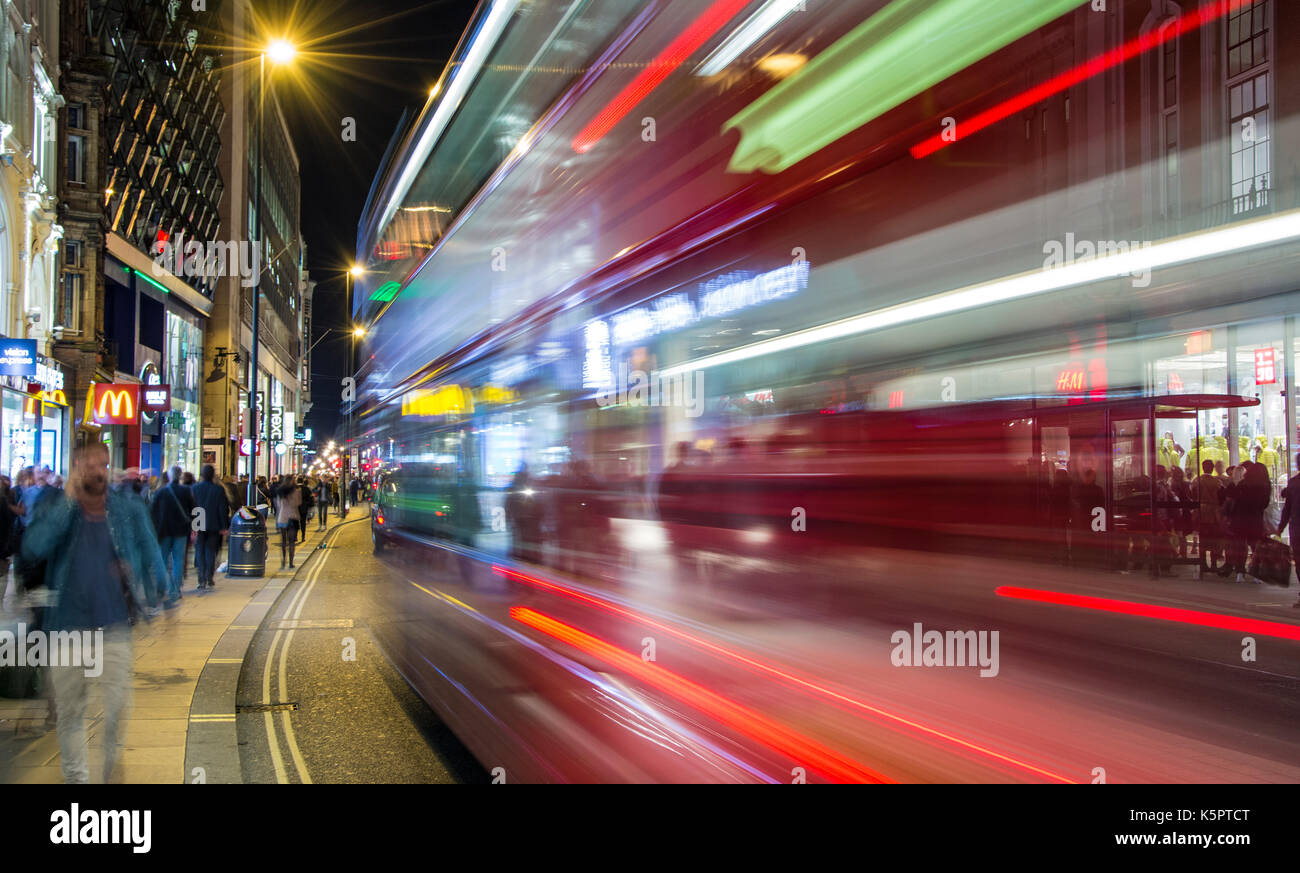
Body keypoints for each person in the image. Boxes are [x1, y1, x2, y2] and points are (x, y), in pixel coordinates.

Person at [23, 441, 167, 783]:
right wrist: (68, 504)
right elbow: (33, 547)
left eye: (102, 464)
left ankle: (110, 772)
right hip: (67, 629)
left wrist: (158, 588)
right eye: (89, 464)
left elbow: (148, 546)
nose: (97, 471)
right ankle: (77, 781)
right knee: (72, 712)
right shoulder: (56, 505)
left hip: (113, 623)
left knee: (117, 709)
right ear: (76, 466)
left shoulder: (125, 509)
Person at [150, 464, 195, 604]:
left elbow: (152, 512)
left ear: (168, 476)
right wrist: (195, 528)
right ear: (180, 476)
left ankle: (161, 588)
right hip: (181, 531)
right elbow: (194, 509)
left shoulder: (160, 492)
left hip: (163, 531)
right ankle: (175, 591)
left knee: (162, 560)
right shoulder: (186, 491)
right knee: (178, 561)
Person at [1224, 461, 1270, 582]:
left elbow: (1234, 499)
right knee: (1255, 547)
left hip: (1240, 519)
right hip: (1256, 519)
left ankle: (1240, 573)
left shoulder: (1243, 484)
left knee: (1240, 546)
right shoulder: (1265, 485)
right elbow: (1265, 504)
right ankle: (1255, 574)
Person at [191, 464, 230, 590]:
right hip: (214, 524)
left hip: (199, 522)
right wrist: (224, 526)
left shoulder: (195, 488)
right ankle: (209, 577)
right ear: (213, 475)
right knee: (210, 551)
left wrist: (193, 525)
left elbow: (192, 507)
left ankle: (200, 579)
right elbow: (222, 508)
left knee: (200, 551)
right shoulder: (218, 489)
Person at [1191, 459, 1226, 574]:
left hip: (1200, 513)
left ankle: (1203, 563)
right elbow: (1222, 497)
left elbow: (1192, 495)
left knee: (1203, 539)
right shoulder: (1217, 482)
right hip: (1213, 513)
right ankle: (1214, 563)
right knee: (1214, 539)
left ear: (1203, 467)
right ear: (1212, 468)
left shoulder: (1196, 481)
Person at [1276, 455, 1300, 607]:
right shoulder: (1293, 484)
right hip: (1296, 527)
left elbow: (1287, 509)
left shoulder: (1293, 483)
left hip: (1297, 528)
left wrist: (1280, 529)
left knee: (1299, 561)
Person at [273, 475, 302, 569]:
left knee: (283, 542)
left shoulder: (280, 492)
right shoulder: (296, 491)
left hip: (282, 517)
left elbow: (278, 505)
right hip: (293, 517)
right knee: (291, 542)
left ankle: (283, 562)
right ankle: (290, 563)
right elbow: (298, 503)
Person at [297, 476, 313, 543]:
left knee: (296, 522)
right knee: (303, 523)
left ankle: (295, 536)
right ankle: (303, 536)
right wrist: (307, 504)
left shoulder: (294, 488)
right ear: (303, 481)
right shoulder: (306, 489)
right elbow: (310, 498)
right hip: (304, 508)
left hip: (296, 508)